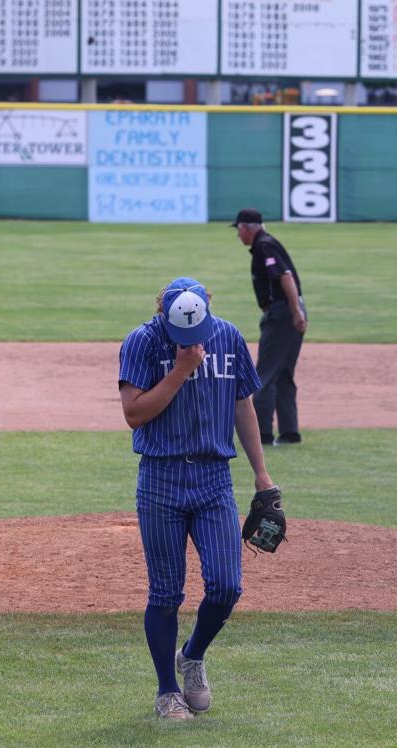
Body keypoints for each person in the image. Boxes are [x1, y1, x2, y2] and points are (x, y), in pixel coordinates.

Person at [118, 276, 276, 721]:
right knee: (166, 592)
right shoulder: (141, 343)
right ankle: (167, 692)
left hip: (214, 478)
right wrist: (181, 370)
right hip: (161, 478)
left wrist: (262, 475)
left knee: (227, 585)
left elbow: (242, 404)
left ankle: (193, 655)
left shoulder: (226, 335)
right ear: (162, 315)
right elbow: (134, 414)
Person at [232, 208, 307, 445]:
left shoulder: (264, 245)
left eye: (238, 230)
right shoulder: (267, 244)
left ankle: (262, 432)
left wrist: (294, 311)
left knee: (264, 373)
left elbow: (285, 276)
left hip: (282, 314)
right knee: (283, 372)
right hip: (290, 312)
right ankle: (289, 432)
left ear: (246, 228)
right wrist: (298, 311)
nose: (238, 235)